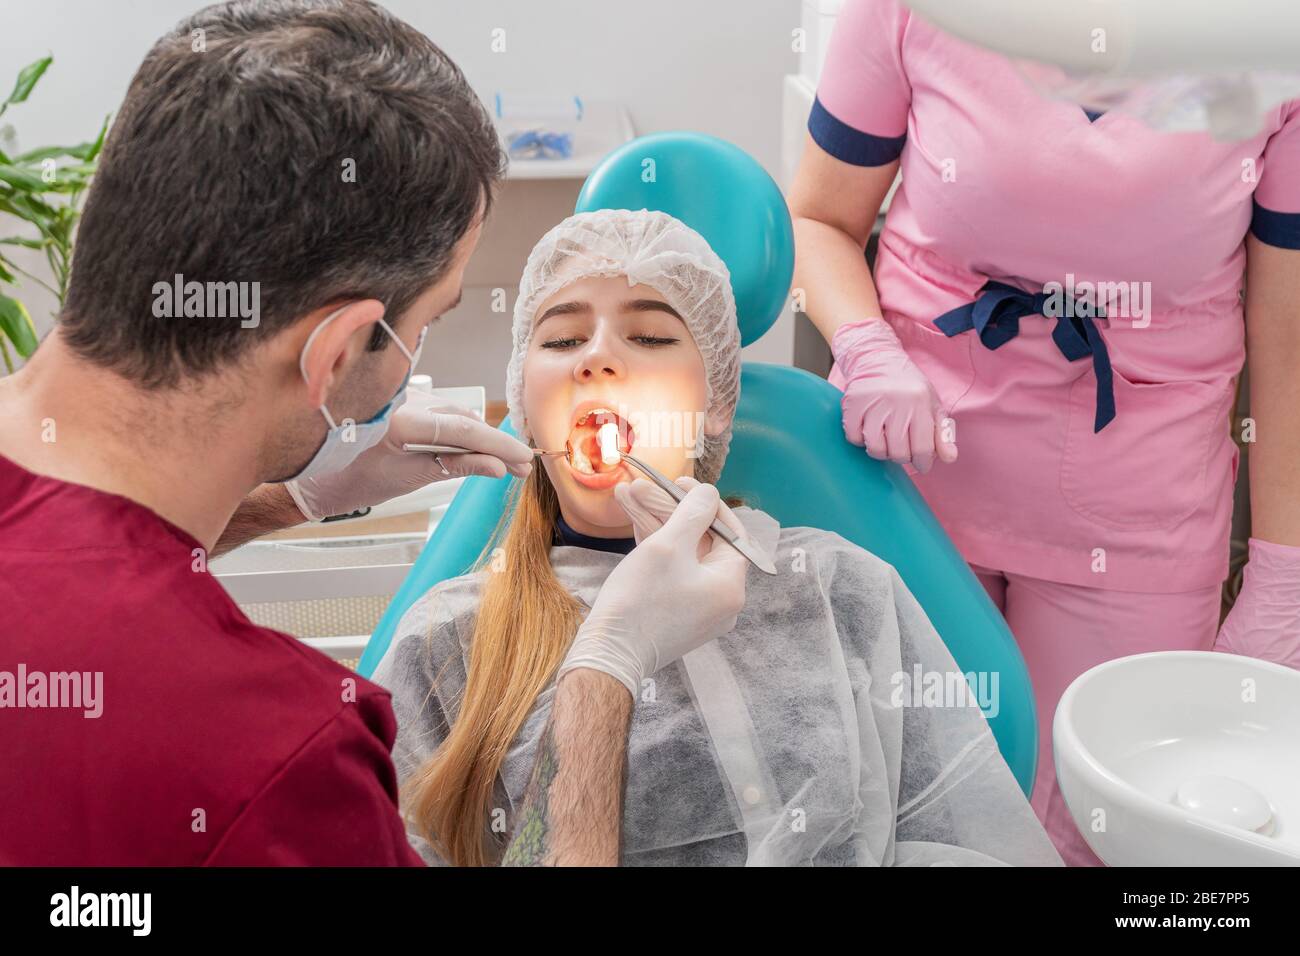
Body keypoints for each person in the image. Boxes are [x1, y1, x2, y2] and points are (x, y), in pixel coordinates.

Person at [0, 0, 744, 866]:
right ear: (340, 351)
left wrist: (284, 499)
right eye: (422, 328)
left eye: (651, 336)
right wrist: (600, 675)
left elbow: (75, 564)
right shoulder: (278, 767)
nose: (599, 363)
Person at [374, 210, 1062, 867]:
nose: (598, 358)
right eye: (560, 340)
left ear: (717, 405)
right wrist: (609, 658)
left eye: (648, 337)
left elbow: (958, 836)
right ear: (524, 405)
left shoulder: (839, 588)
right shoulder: (442, 643)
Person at [786, 0, 1300, 865]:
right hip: (912, 472)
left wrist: (1285, 576)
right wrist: (867, 347)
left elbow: (1288, 338)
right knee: (902, 812)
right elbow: (818, 220)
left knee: (1107, 831)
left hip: (1138, 513)